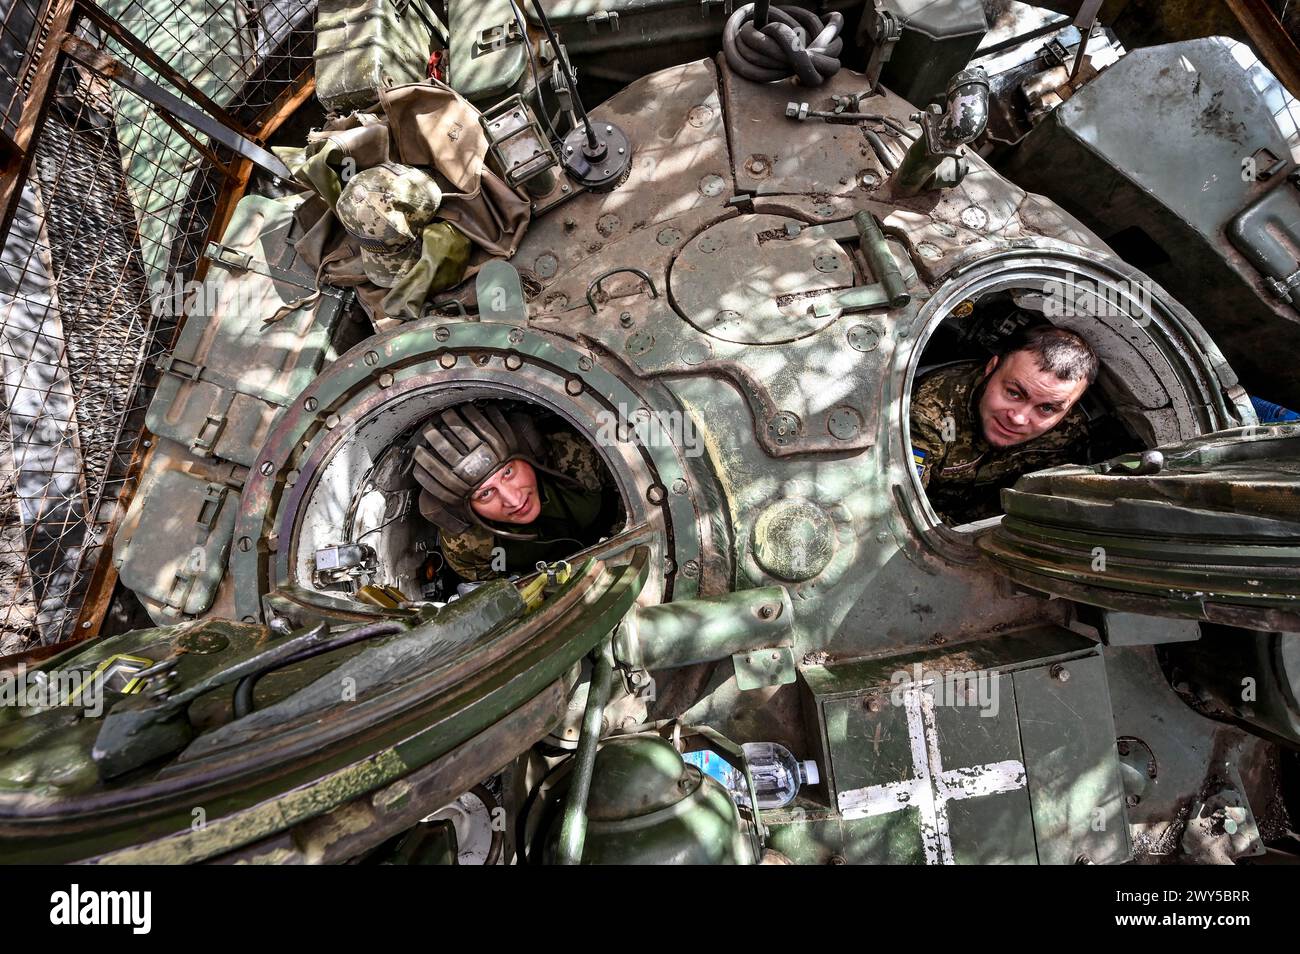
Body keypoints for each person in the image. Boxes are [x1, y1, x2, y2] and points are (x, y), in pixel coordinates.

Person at [910, 326, 1099, 525]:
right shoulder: (930, 413)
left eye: (1046, 408)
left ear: (1067, 410)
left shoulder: (1069, 431)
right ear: (991, 369)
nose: (1019, 418)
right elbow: (908, 514)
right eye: (1014, 393)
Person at [412, 403, 617, 582]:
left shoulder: (573, 457)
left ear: (527, 453)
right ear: (465, 510)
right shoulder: (467, 545)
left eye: (508, 472)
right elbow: (494, 593)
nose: (514, 499)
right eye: (485, 494)